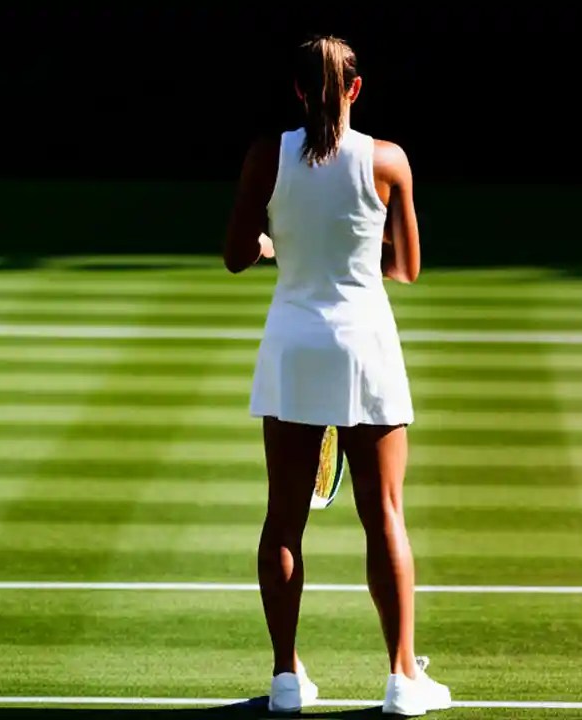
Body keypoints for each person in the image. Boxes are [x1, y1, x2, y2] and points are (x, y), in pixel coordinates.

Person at [222, 35, 452, 716]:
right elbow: (405, 267)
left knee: (282, 523)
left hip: (293, 348)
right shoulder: (389, 162)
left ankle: (286, 679)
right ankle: (402, 680)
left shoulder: (267, 157)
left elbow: (237, 255)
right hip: (365, 347)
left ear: (298, 90)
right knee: (383, 517)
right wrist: (352, 241)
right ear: (354, 89)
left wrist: (277, 244)